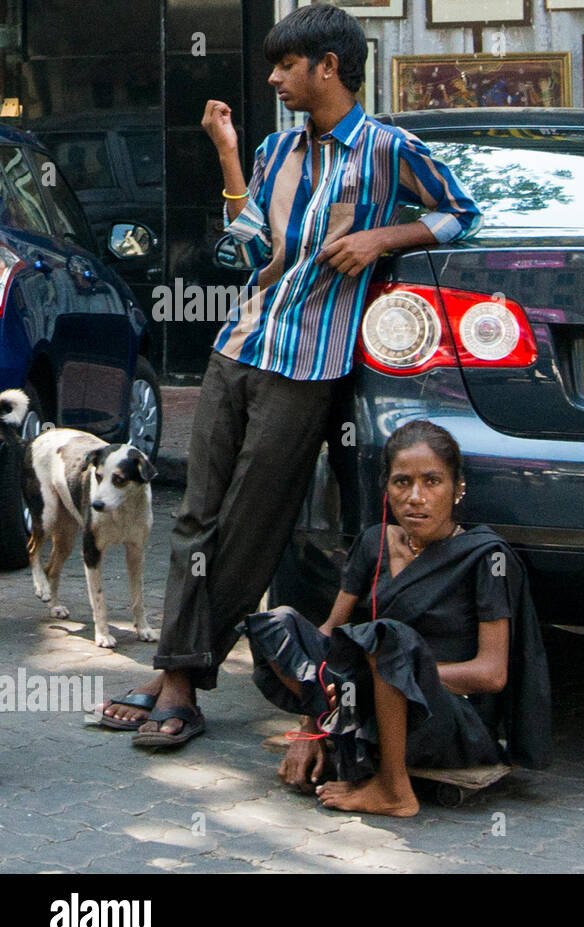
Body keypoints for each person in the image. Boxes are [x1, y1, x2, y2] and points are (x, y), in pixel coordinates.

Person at [93, 3, 481, 746]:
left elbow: (462, 212)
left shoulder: (389, 150)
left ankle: (178, 677)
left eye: (285, 65)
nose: (273, 77)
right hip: (238, 346)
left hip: (309, 365)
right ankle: (179, 671)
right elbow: (246, 250)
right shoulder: (276, 148)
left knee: (249, 524)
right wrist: (230, 157)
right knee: (195, 515)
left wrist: (380, 237)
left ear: (327, 67)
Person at [242, 421, 551, 817]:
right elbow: (329, 638)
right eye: (402, 482)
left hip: (448, 723)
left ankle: (394, 790)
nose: (416, 497)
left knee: (388, 641)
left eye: (432, 481)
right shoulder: (374, 542)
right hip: (370, 702)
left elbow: (492, 674)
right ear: (386, 489)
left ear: (458, 489)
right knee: (279, 623)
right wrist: (308, 728)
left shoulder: (485, 558)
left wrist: (397, 674)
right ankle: (332, 729)